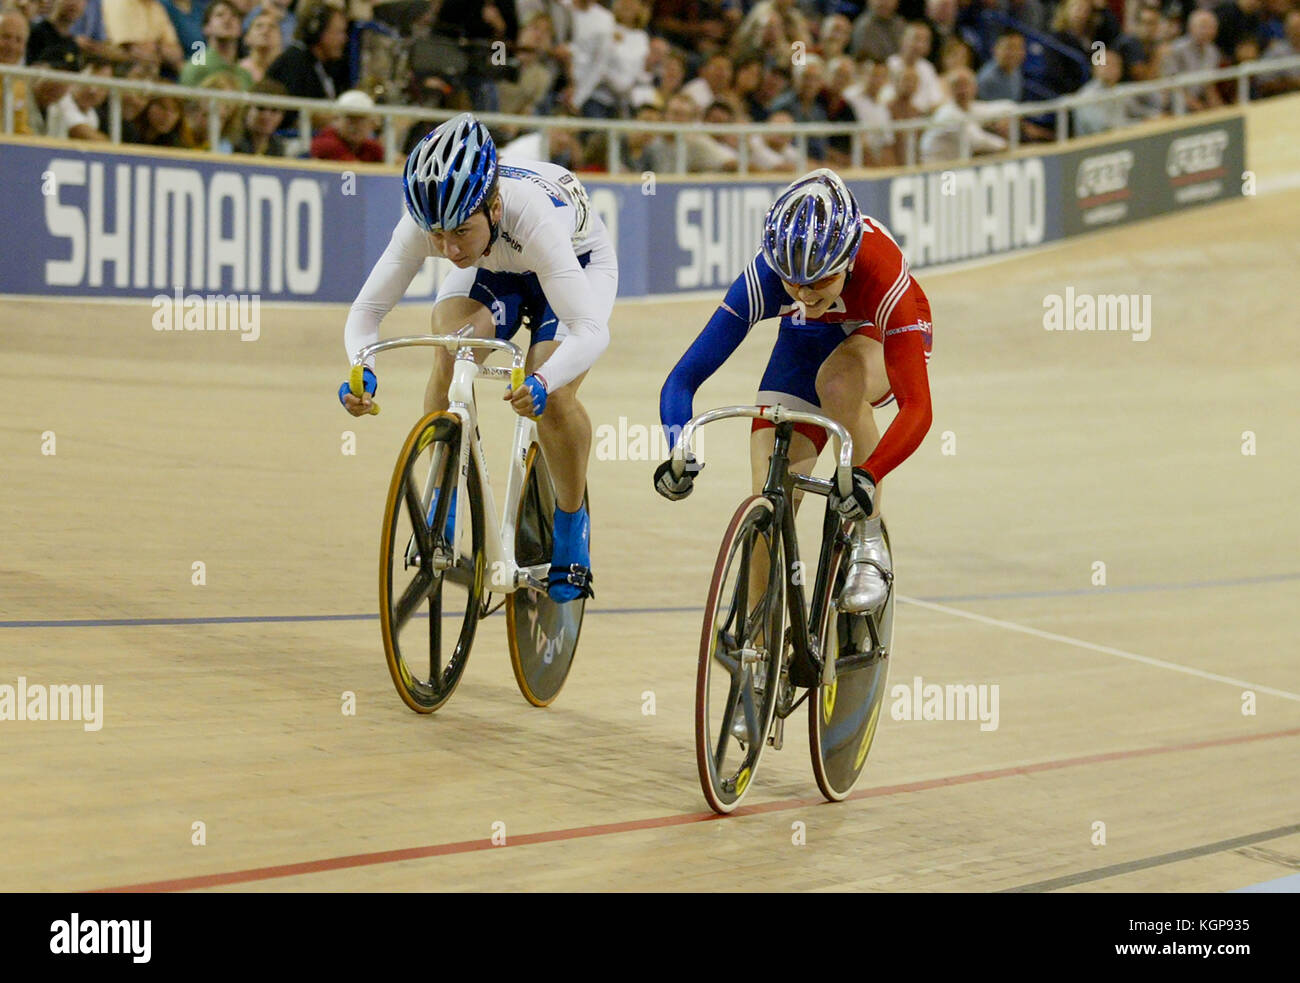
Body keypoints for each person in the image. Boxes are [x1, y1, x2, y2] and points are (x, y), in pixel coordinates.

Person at [340, 114, 619, 603]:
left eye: (460, 233)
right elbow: (366, 312)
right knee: (451, 347)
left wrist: (543, 380)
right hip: (499, 263)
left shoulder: (532, 217)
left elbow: (592, 332)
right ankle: (443, 496)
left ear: (492, 206)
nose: (448, 249)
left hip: (573, 263)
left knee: (552, 394)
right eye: (437, 235)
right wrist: (362, 367)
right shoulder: (432, 220)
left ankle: (572, 526)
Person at [657, 169, 933, 618]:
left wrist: (869, 473)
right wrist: (676, 446)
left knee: (839, 383)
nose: (804, 293)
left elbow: (918, 408)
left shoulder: (880, 271)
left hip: (873, 329)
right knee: (770, 490)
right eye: (793, 282)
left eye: (819, 280)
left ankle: (868, 538)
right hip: (806, 337)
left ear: (845, 263)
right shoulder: (769, 274)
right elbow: (683, 378)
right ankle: (759, 652)